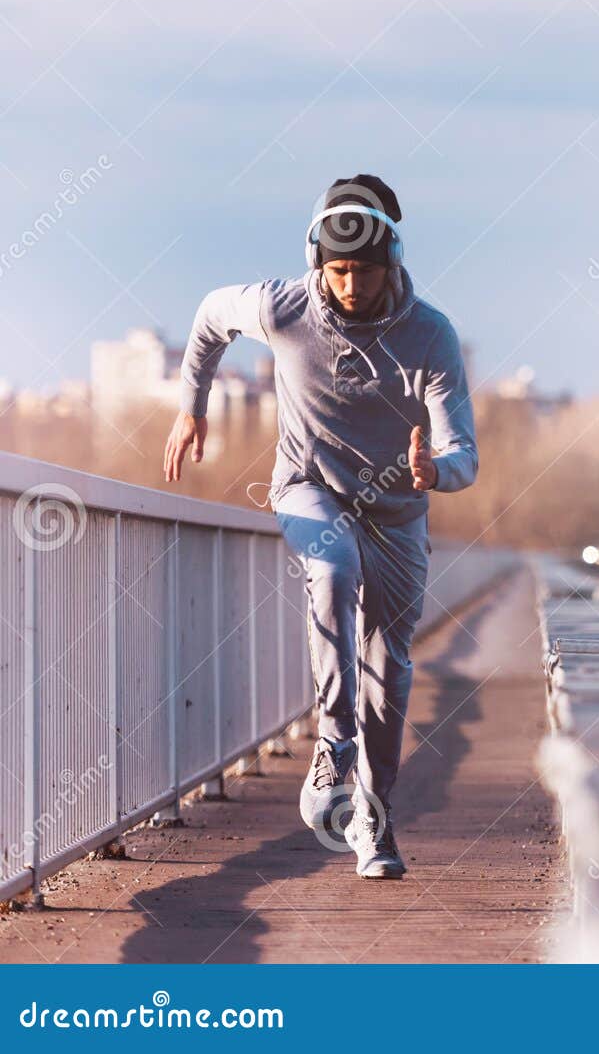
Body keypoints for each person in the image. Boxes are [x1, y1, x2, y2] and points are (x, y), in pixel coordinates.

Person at [162, 175, 478, 879]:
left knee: (389, 673)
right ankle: (332, 744)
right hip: (308, 489)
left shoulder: (429, 333)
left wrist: (436, 473)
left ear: (390, 262)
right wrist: (193, 404)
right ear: (317, 262)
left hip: (398, 515)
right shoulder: (284, 306)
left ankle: (375, 819)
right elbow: (212, 315)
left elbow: (464, 451)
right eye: (338, 270)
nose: (352, 285)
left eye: (365, 271)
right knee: (332, 569)